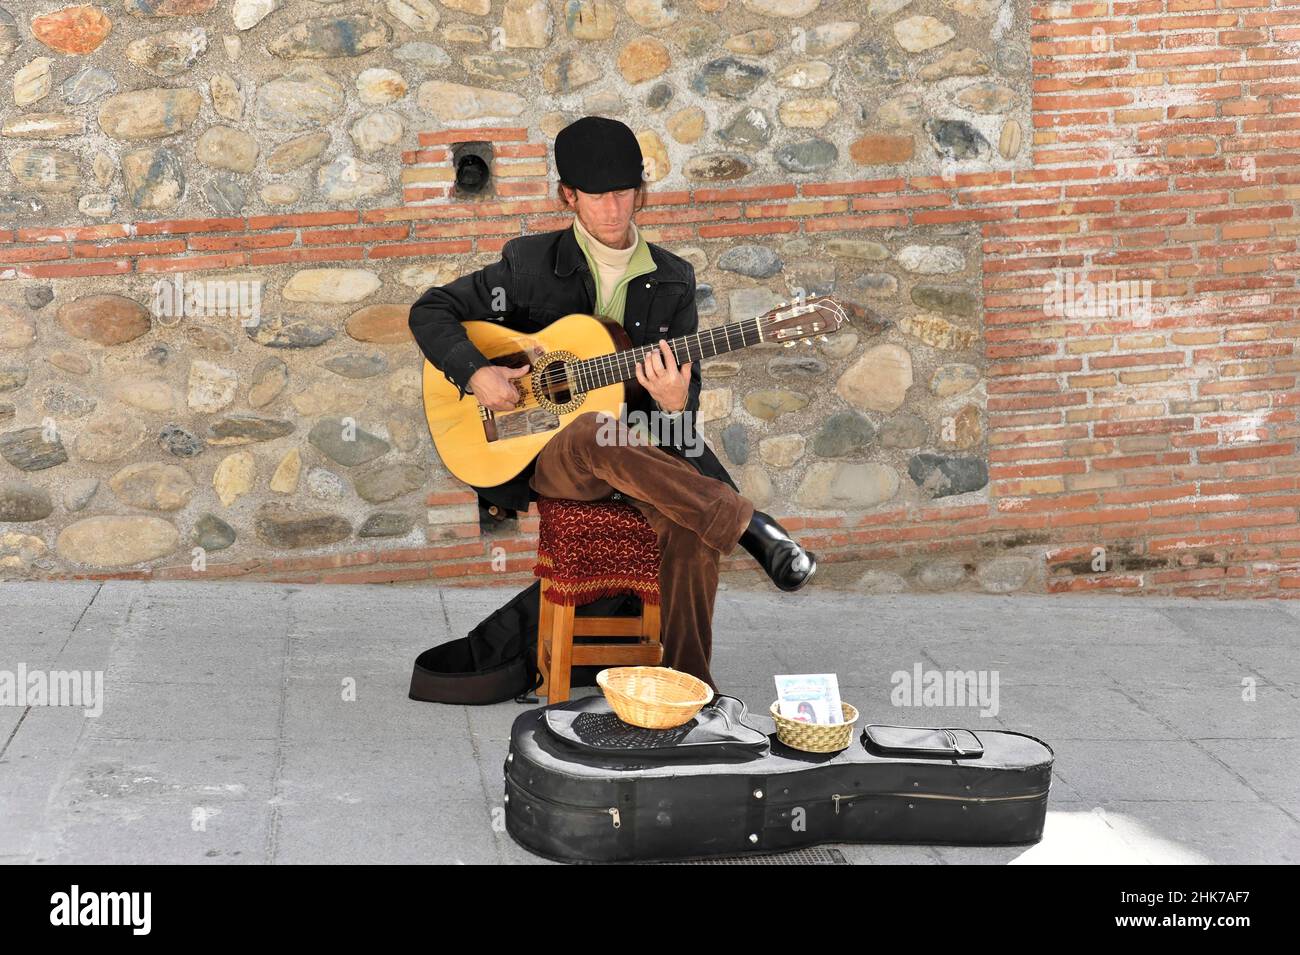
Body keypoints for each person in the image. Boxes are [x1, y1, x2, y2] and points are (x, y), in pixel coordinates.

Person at [408, 116, 815, 694]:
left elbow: (681, 410)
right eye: (595, 196)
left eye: (623, 192)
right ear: (568, 196)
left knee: (693, 529)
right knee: (593, 429)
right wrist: (476, 372)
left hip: (640, 454)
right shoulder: (528, 264)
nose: (612, 208)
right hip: (549, 455)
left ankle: (688, 691)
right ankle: (751, 525)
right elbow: (430, 310)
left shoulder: (673, 279)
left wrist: (674, 403)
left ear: (640, 192)